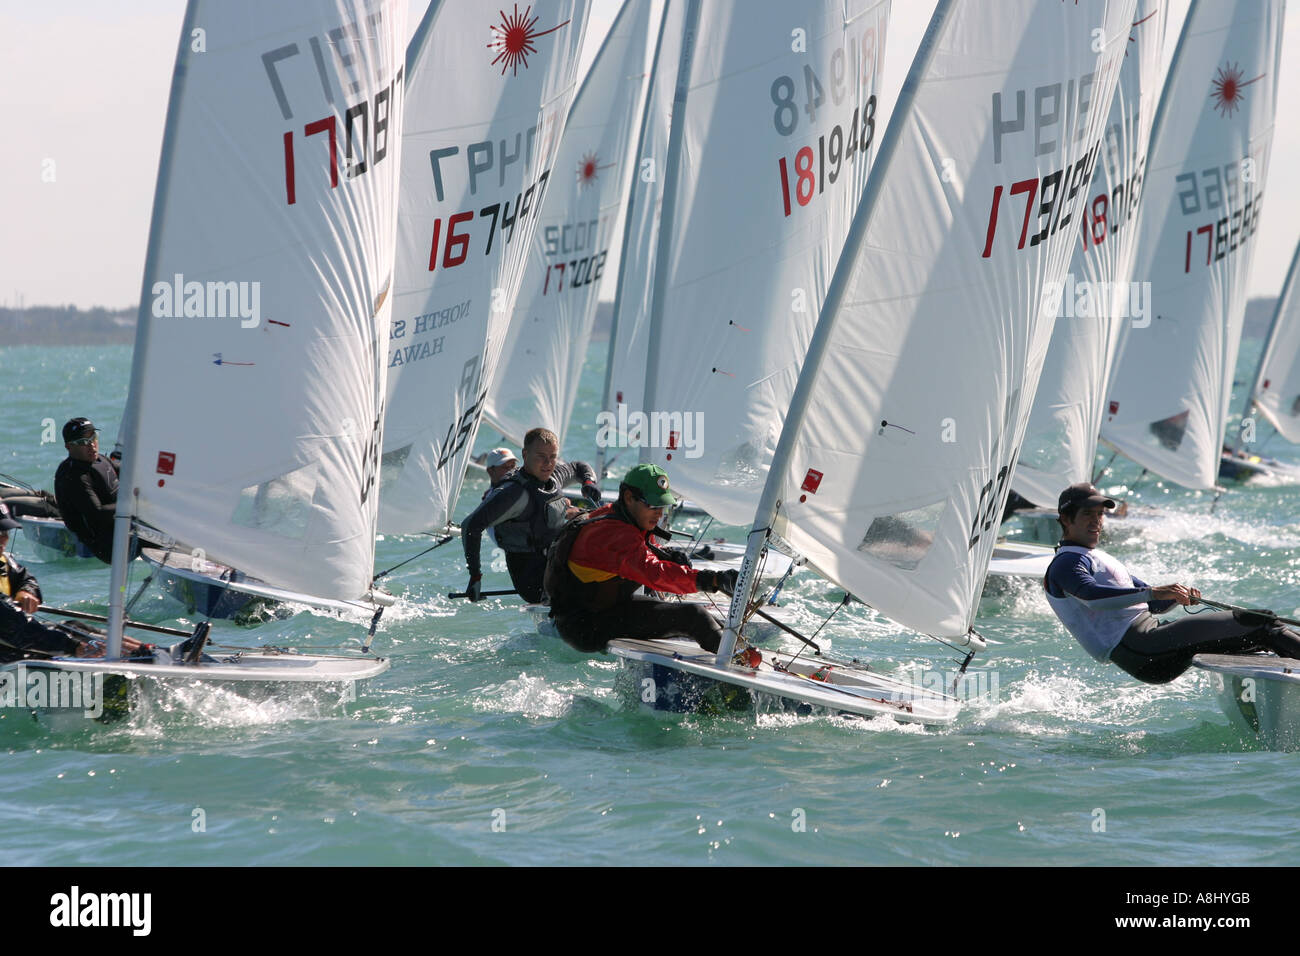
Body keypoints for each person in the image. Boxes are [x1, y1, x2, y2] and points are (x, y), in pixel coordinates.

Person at [1044, 482, 1300, 683]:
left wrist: (1172, 598)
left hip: (1151, 643)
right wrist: (1155, 592)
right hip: (1142, 647)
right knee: (1260, 623)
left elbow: (1150, 605)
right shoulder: (1066, 563)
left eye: (1100, 514)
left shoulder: (1094, 557)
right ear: (1066, 519)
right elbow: (1091, 597)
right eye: (1088, 514)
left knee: (1259, 636)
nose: (1097, 521)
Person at [544, 463, 738, 654]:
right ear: (629, 498)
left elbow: (642, 549)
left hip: (606, 610)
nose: (659, 513)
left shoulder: (620, 516)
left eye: (663, 505)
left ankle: (739, 656)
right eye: (653, 505)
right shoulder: (612, 534)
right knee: (694, 617)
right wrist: (712, 580)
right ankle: (737, 664)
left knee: (706, 621)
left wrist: (669, 554)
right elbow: (653, 571)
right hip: (586, 626)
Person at [461, 428, 600, 604]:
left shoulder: (553, 477)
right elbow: (470, 526)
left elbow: (578, 467)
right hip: (533, 580)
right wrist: (475, 576)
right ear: (525, 454)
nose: (548, 463)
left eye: (553, 456)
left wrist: (589, 481)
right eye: (541, 456)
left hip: (559, 563)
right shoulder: (512, 493)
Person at [53, 417, 122, 564]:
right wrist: (133, 505)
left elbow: (127, 473)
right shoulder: (74, 477)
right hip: (107, 546)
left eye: (93, 437)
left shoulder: (100, 459)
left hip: (125, 525)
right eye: (83, 442)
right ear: (68, 447)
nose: (91, 445)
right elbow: (97, 514)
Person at [0, 502, 41, 614]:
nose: (3, 539)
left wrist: (26, 592)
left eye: (5, 532)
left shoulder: (6, 562)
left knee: (75, 626)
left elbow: (26, 579)